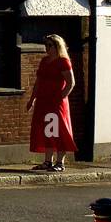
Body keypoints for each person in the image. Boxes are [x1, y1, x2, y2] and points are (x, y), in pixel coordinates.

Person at [27, 34, 77, 172]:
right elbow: (38, 82)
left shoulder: (63, 62)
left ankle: (60, 162)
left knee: (59, 130)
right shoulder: (44, 61)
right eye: (46, 45)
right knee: (49, 130)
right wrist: (32, 99)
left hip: (57, 103)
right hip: (44, 101)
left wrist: (61, 97)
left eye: (50, 45)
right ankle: (48, 161)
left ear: (57, 46)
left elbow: (70, 83)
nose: (47, 48)